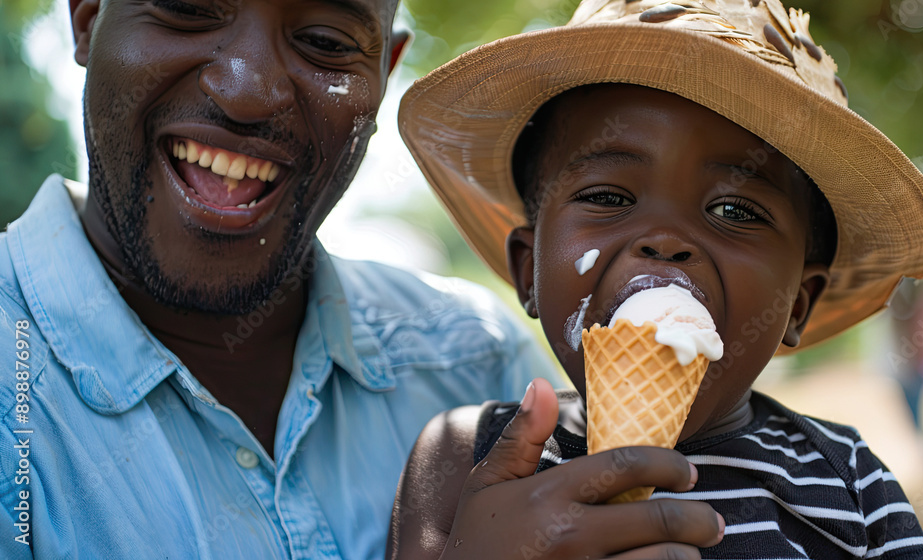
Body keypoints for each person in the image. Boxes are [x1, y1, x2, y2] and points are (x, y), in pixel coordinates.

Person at [0, 0, 573, 558]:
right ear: (89, 17)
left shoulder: (480, 364)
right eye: (188, 8)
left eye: (325, 42)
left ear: (385, 72)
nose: (247, 89)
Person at [390, 0, 923, 558]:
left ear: (798, 304)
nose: (665, 239)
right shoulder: (464, 458)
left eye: (735, 211)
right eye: (608, 197)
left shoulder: (852, 483)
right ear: (529, 268)